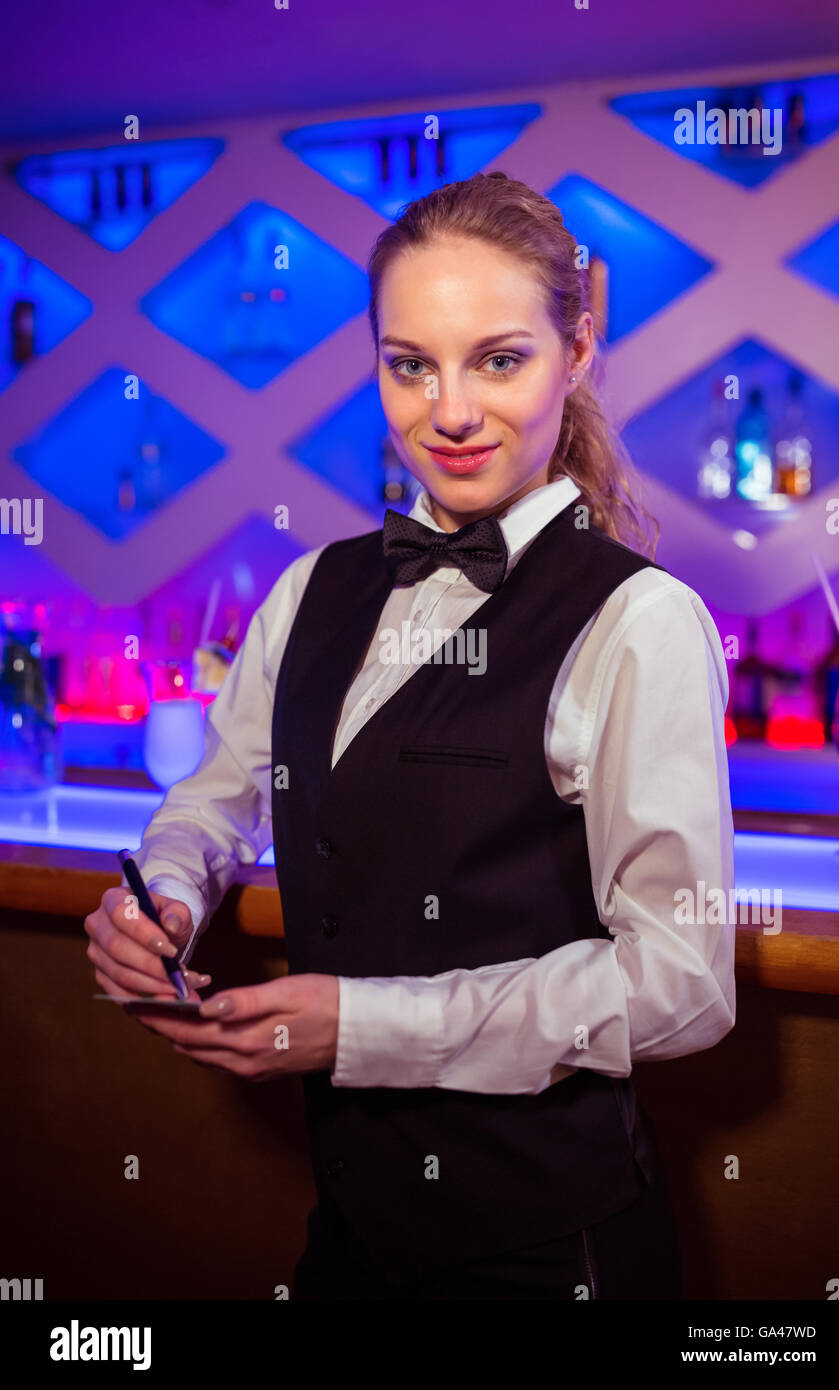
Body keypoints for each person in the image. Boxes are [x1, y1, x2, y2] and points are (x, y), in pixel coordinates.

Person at [84, 171, 736, 1301]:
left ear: (575, 353)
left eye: (498, 358)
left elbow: (682, 984)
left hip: (544, 1259)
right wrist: (168, 892)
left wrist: (366, 1024)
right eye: (408, 364)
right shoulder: (310, 589)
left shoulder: (639, 621)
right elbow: (216, 793)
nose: (448, 411)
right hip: (347, 1237)